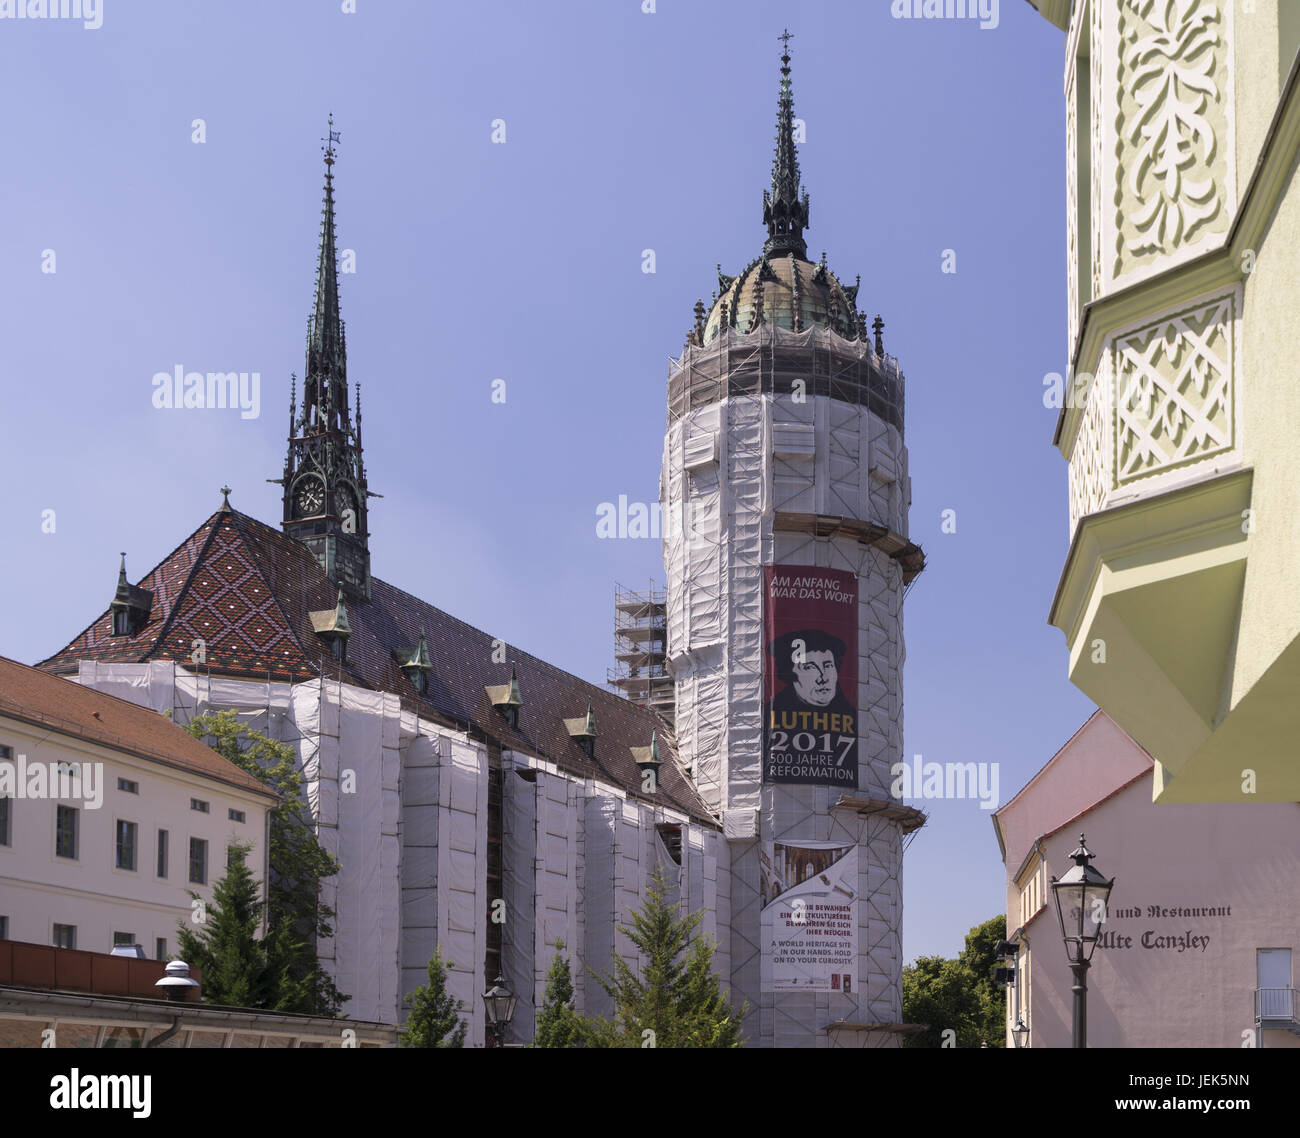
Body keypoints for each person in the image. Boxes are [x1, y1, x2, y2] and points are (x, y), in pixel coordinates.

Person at [767, 628, 855, 718]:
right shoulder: (770, 715)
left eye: (828, 666)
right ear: (790, 674)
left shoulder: (852, 716)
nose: (823, 679)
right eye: (810, 667)